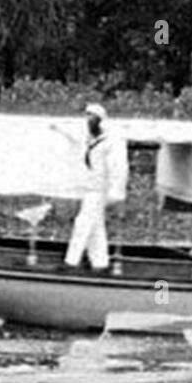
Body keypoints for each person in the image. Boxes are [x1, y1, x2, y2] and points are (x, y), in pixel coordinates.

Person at [60, 103, 126, 270]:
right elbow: (75, 138)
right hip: (90, 188)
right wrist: (58, 129)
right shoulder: (90, 139)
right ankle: (100, 262)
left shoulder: (111, 141)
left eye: (91, 116)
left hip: (100, 190)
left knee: (83, 223)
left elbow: (118, 167)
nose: (88, 119)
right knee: (96, 227)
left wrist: (115, 191)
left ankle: (71, 261)